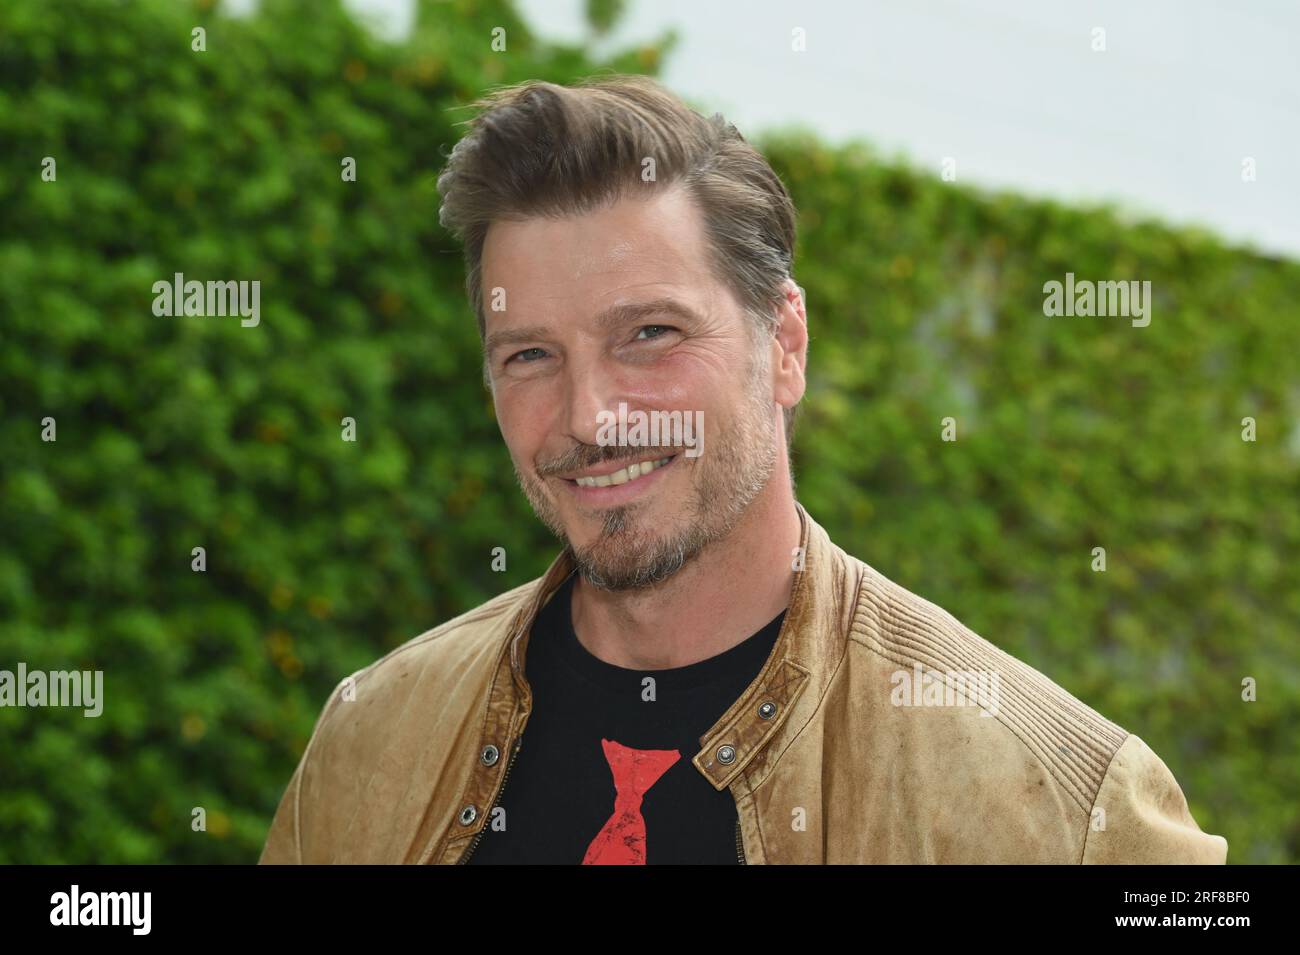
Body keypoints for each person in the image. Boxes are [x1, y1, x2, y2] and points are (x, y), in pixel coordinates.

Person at [259, 75, 1226, 864]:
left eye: (649, 333)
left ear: (787, 343)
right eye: (529, 355)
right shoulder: (368, 739)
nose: (590, 416)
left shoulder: (1062, 812)